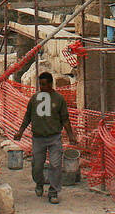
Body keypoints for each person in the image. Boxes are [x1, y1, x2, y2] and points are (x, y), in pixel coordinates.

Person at [13, 71, 75, 204]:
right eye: (40, 84)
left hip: (54, 138)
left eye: (44, 84)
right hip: (38, 138)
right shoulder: (35, 99)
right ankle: (39, 183)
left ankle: (53, 191)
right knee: (37, 165)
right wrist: (20, 132)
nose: (42, 87)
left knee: (56, 164)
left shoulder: (59, 99)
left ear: (51, 84)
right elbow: (27, 117)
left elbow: (65, 119)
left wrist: (71, 135)